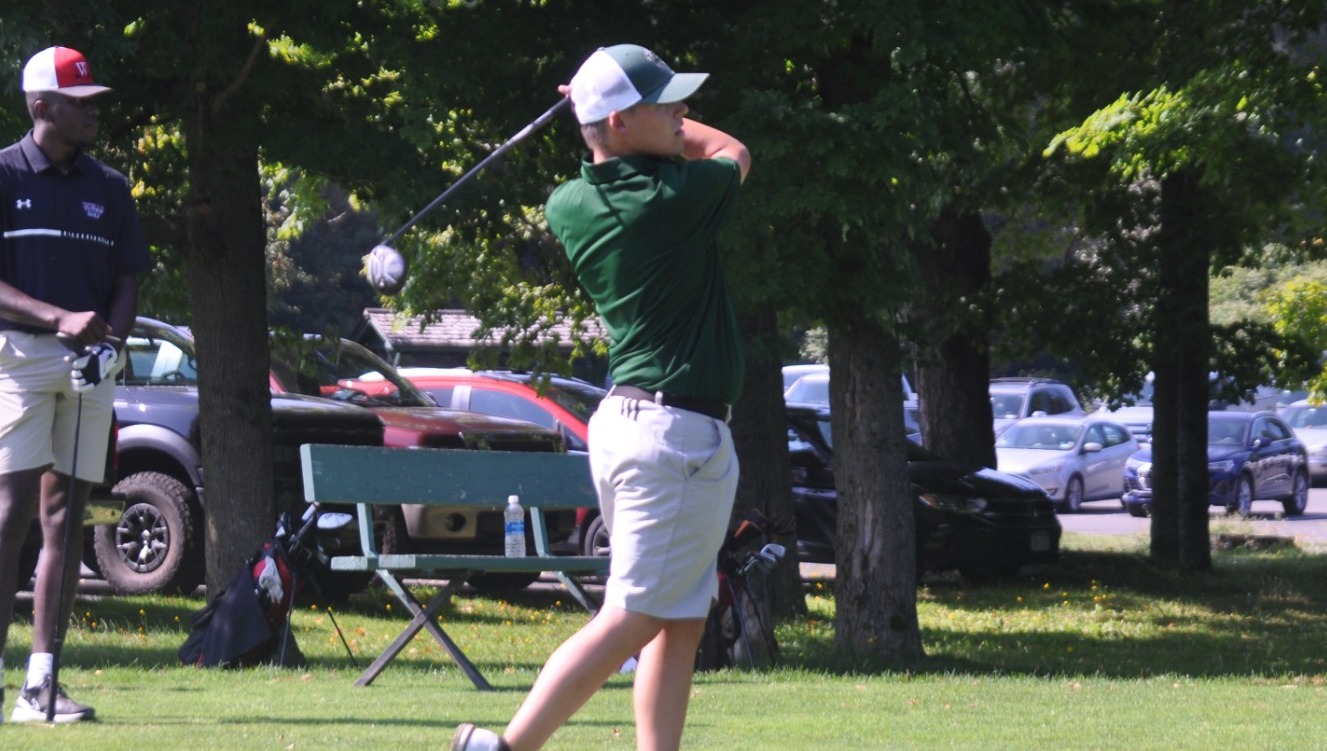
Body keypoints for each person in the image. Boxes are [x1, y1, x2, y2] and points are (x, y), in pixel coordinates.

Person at [450, 44, 751, 751]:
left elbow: (647, 143)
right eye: (666, 102)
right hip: (675, 435)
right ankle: (509, 746)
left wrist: (606, 112)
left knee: (677, 619)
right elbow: (732, 148)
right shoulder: (671, 200)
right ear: (617, 121)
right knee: (637, 613)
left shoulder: (570, 202)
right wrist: (610, 110)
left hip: (636, 427)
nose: (681, 113)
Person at [0, 45, 149, 724]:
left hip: (90, 369)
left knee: (64, 520)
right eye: (79, 103)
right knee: (9, 517)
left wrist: (111, 344)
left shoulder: (110, 187)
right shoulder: (2, 174)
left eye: (95, 102)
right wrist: (59, 317)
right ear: (41, 107)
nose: (94, 113)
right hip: (20, 361)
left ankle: (40, 685)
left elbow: (127, 276)